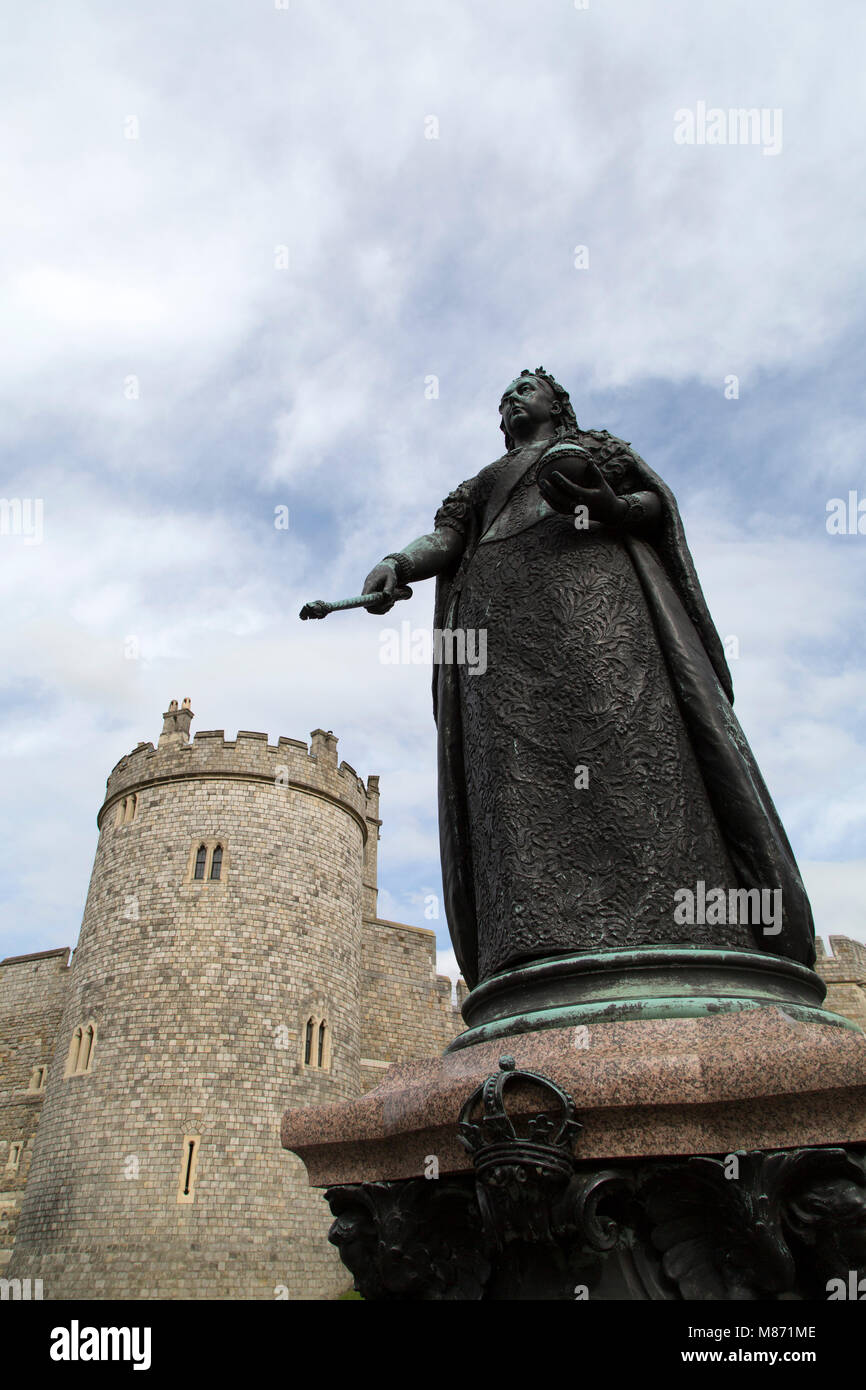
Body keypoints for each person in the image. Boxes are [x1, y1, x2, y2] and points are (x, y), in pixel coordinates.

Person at [362, 368, 815, 990]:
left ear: (557, 404)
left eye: (525, 388)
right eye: (505, 395)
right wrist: (396, 563)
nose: (511, 397)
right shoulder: (481, 484)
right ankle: (534, 945)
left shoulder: (594, 448)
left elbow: (652, 506)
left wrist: (606, 505)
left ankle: (684, 930)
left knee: (631, 750)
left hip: (595, 607)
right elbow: (445, 539)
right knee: (515, 783)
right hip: (499, 638)